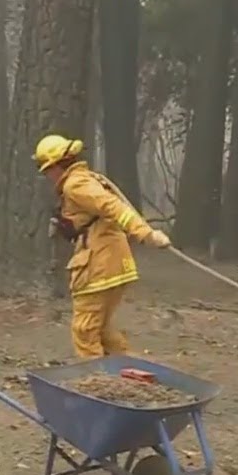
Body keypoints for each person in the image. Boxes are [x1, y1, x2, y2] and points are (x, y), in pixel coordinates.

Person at [33, 133, 172, 359]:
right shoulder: (87, 179)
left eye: (47, 169)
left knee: (85, 329)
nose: (48, 176)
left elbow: (112, 206)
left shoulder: (76, 184)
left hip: (99, 266)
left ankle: (98, 384)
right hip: (114, 263)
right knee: (102, 328)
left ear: (57, 165)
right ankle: (131, 377)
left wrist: (146, 233)